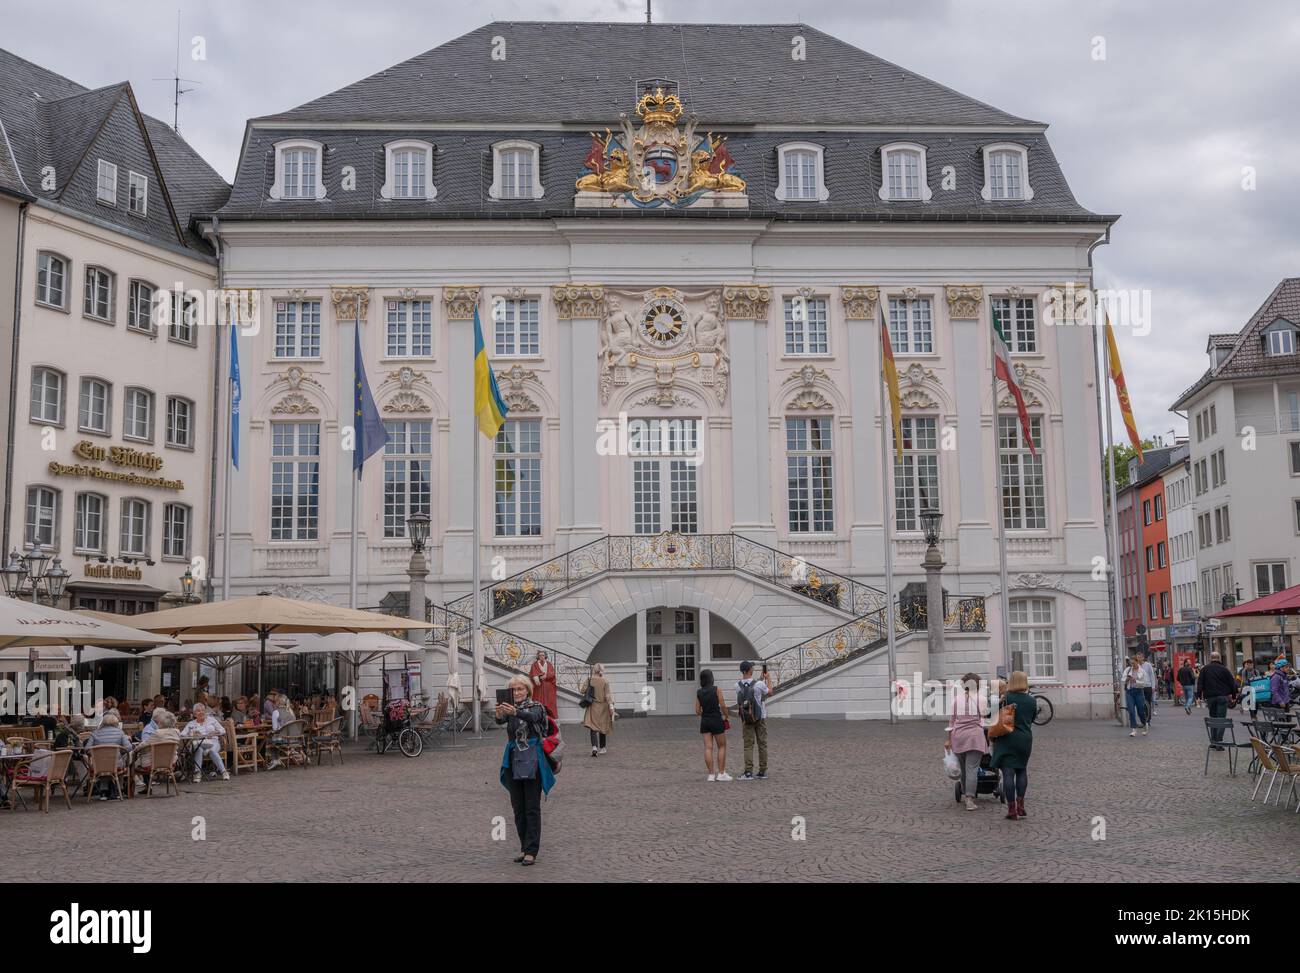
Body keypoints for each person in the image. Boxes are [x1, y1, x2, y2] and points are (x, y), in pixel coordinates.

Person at [495, 673, 554, 866]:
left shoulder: (535, 706)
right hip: (514, 759)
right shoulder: (510, 709)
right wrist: (499, 714)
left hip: (533, 759)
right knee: (518, 808)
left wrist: (514, 712)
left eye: (520, 688)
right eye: (514, 689)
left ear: (528, 690)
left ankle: (531, 850)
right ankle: (523, 847)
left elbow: (532, 717)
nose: (517, 692)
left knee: (531, 808)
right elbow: (500, 722)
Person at [990, 670, 1035, 820]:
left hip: (1007, 738)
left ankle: (1011, 809)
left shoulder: (1006, 698)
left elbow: (992, 714)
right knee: (1022, 770)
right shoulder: (1031, 700)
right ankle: (1021, 804)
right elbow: (1032, 718)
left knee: (1008, 773)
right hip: (1025, 739)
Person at [946, 673, 989, 811]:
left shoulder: (955, 700)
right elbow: (985, 716)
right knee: (972, 768)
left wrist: (949, 739)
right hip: (974, 736)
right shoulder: (981, 699)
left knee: (964, 769)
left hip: (958, 736)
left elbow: (951, 722)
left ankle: (965, 795)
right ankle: (970, 799)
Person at [735, 660, 770, 780]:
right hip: (760, 717)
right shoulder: (759, 684)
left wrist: (760, 678)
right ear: (749, 670)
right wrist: (768, 678)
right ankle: (762, 771)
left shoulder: (737, 685)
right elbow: (769, 692)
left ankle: (748, 772)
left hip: (746, 719)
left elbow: (750, 690)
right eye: (751, 668)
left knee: (748, 745)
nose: (753, 669)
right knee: (762, 744)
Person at [694, 669, 731, 781]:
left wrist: (704, 713)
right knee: (722, 746)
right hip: (716, 719)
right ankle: (721, 773)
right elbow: (723, 705)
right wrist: (726, 715)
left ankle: (711, 774)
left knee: (708, 748)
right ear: (711, 678)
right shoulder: (716, 690)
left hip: (705, 721)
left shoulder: (699, 692)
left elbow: (697, 710)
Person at [1196, 650, 1238, 746]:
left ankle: (1213, 741)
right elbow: (1232, 683)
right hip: (1222, 697)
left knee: (1213, 719)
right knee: (1221, 719)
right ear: (1219, 659)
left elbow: (1200, 683)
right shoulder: (1224, 669)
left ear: (1211, 659)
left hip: (1210, 698)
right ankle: (1219, 741)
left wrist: (1198, 696)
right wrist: (1234, 696)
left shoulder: (1204, 669)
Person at [87, 712, 133, 799]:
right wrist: (119, 753)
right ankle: (118, 789)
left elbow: (87, 749)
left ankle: (104, 791)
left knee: (104, 764)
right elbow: (129, 748)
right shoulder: (120, 733)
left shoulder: (95, 733)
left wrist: (95, 754)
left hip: (98, 764)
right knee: (119, 763)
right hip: (116, 764)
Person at [133, 708, 181, 790]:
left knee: (133, 763)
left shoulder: (157, 733)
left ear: (162, 722)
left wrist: (135, 749)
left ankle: (136, 785)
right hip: (171, 763)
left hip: (153, 764)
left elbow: (144, 744)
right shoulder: (177, 732)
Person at [181, 702, 229, 782]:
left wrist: (215, 732)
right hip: (198, 743)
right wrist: (191, 734)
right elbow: (182, 734)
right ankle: (197, 773)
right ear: (194, 714)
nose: (201, 712)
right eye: (198, 711)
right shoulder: (191, 724)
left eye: (203, 710)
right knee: (198, 749)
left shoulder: (212, 720)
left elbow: (222, 730)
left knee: (212, 750)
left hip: (213, 741)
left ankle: (224, 772)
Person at [580, 663, 616, 756]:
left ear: (594, 670)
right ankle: (603, 747)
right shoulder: (605, 681)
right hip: (603, 706)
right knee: (602, 727)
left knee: (593, 726)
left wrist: (588, 685)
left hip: (593, 706)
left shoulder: (589, 679)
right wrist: (611, 707)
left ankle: (594, 747)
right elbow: (608, 695)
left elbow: (582, 690)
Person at [1122, 655, 1151, 737]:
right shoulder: (1128, 670)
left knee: (1140, 711)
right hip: (1129, 692)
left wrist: (1136, 681)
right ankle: (1134, 729)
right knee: (1131, 710)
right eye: (1131, 663)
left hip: (1139, 692)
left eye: (1134, 663)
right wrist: (1127, 679)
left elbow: (1145, 683)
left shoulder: (1142, 671)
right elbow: (1122, 679)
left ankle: (1145, 724)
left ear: (1137, 662)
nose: (1132, 665)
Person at [529, 650, 558, 719]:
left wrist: (546, 676)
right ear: (538, 656)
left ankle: (549, 716)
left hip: (548, 687)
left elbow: (552, 674)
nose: (541, 657)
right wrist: (537, 677)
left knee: (549, 702)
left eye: (543, 655)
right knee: (538, 701)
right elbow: (532, 674)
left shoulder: (549, 664)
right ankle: (538, 715)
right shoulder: (534, 664)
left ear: (545, 656)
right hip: (538, 687)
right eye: (540, 655)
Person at [1137, 653, 1157, 720]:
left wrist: (1153, 686)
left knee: (1147, 703)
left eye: (1140, 657)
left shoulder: (1148, 665)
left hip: (1148, 686)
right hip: (1140, 687)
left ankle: (1148, 719)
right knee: (1140, 703)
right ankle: (1143, 719)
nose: (1138, 659)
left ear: (1143, 658)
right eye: (1138, 657)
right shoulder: (1137, 666)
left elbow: (1152, 676)